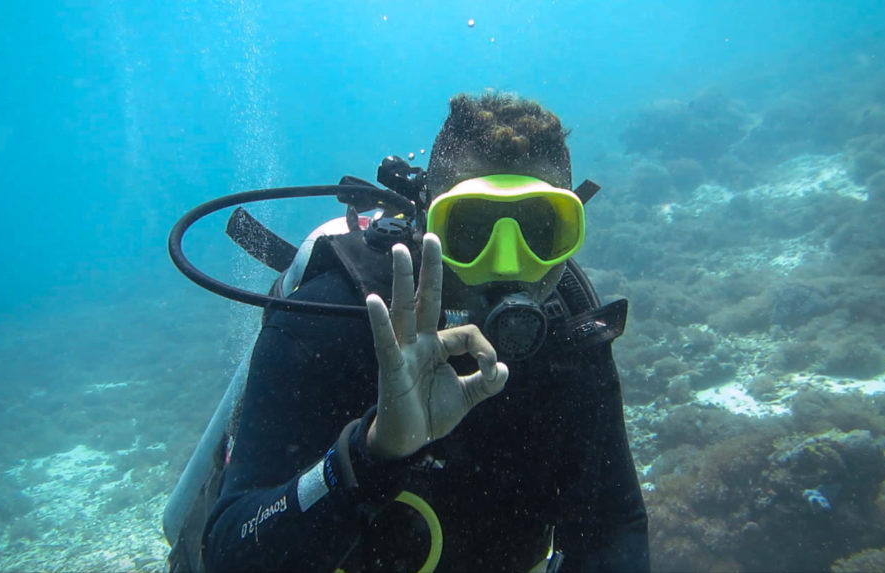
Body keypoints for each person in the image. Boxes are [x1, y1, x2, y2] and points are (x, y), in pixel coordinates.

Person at [199, 93, 649, 572]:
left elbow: (614, 523)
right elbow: (227, 553)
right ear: (424, 220)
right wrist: (372, 453)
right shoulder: (330, 323)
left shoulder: (569, 336)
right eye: (470, 230)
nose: (506, 264)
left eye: (539, 230)